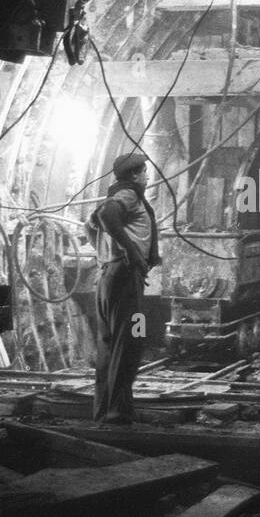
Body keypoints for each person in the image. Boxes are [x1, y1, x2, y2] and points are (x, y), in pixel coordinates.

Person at [89, 153, 161, 425]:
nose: (147, 177)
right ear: (134, 175)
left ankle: (104, 411)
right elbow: (108, 216)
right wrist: (131, 251)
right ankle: (118, 413)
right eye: (144, 172)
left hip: (109, 274)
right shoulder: (128, 195)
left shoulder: (112, 196)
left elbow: (93, 224)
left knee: (109, 344)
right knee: (129, 342)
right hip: (124, 276)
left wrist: (109, 254)